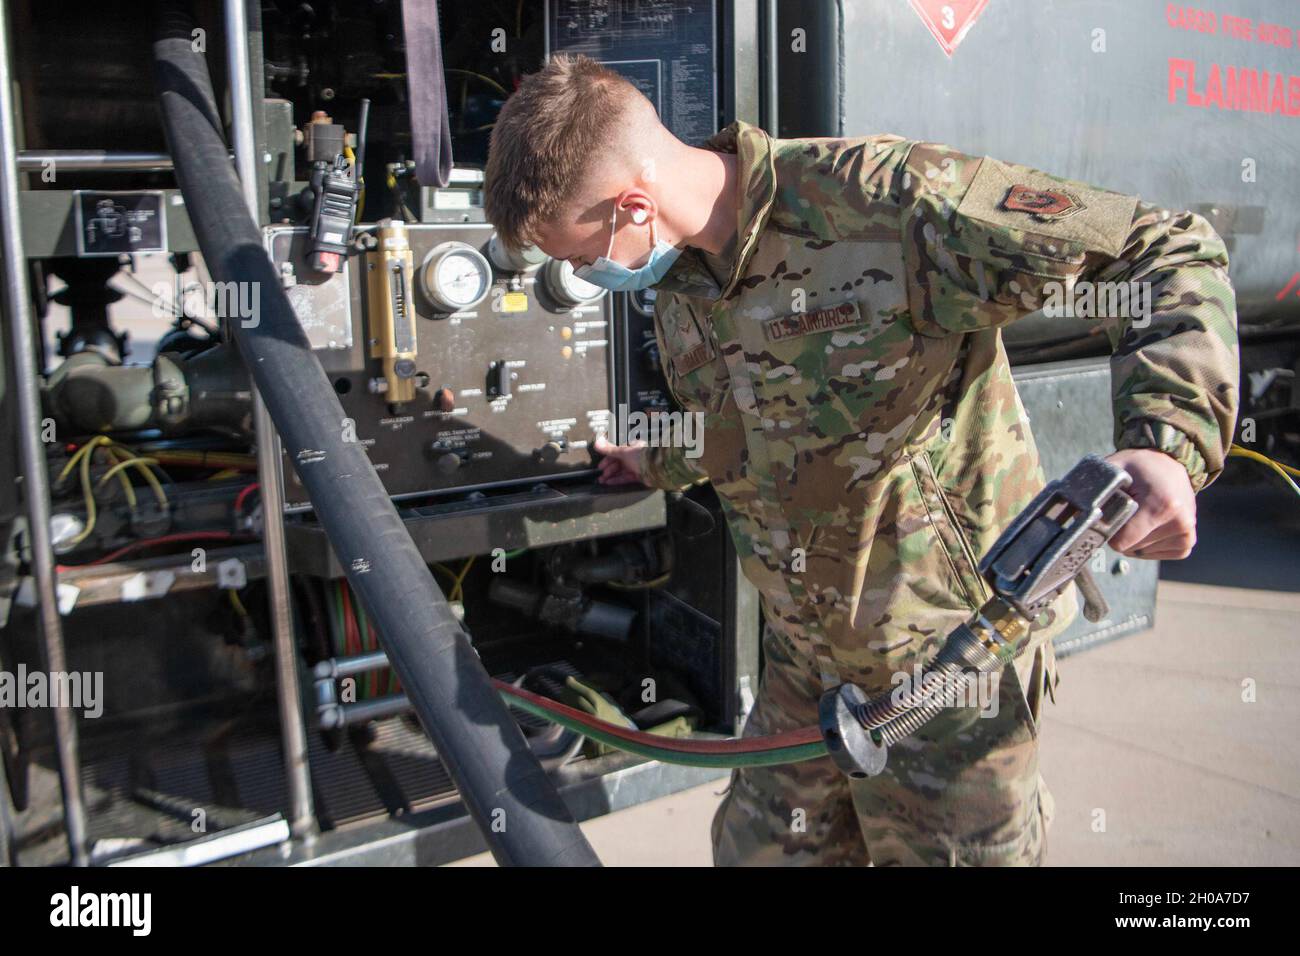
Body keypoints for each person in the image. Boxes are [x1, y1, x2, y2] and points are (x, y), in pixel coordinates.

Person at [483, 54, 1239, 866]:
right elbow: (739, 424)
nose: (580, 275)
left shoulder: (885, 204)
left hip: (949, 666)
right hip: (803, 668)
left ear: (634, 205)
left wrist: (1164, 445)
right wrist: (653, 461)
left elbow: (1162, 249)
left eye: (578, 253)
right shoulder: (684, 287)